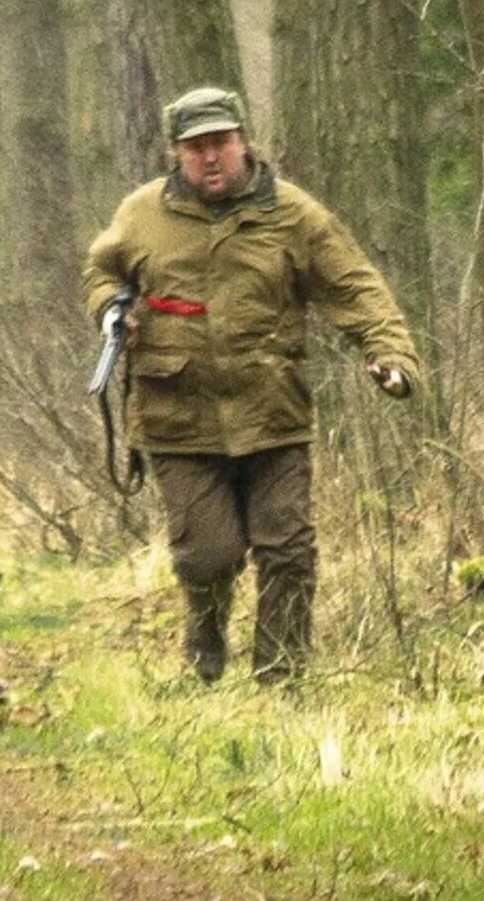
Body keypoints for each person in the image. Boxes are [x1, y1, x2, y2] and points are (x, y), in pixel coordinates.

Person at [81, 85, 418, 682]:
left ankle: (281, 677)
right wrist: (112, 306)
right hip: (177, 417)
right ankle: (205, 632)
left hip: (272, 412)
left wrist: (389, 354)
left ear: (244, 143)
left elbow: (356, 288)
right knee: (210, 556)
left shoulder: (294, 215)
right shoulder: (141, 214)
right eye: (195, 148)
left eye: (221, 143)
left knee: (288, 552)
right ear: (176, 154)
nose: (210, 158)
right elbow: (101, 270)